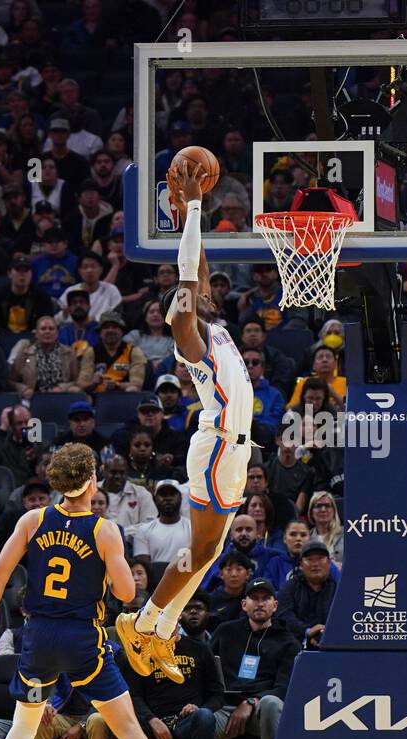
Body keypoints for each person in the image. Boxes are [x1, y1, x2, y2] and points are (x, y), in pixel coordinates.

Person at [0, 442, 197, 739]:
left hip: (38, 635)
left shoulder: (32, 520)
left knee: (23, 724)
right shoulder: (104, 529)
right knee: (125, 725)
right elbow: (125, 592)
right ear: (91, 481)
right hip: (82, 638)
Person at [115, 163, 253, 686]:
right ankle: (144, 622)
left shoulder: (213, 326)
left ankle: (160, 628)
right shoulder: (188, 338)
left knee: (211, 551)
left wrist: (194, 211)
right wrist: (192, 206)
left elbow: (196, 264)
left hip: (231, 451)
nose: (193, 297)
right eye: (185, 301)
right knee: (199, 550)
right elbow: (187, 278)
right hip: (219, 449)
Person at [114, 591, 224, 739]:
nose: (165, 625)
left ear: (177, 621)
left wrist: (198, 706)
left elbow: (216, 695)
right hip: (151, 721)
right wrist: (152, 720)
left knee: (205, 717)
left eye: (169, 621)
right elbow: (132, 696)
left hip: (185, 722)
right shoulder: (138, 654)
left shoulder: (199, 649)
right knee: (121, 725)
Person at [208, 576, 296, 739]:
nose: (260, 603)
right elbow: (206, 671)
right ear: (244, 604)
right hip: (225, 711)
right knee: (200, 719)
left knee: (271, 703)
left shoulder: (288, 641)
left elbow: (286, 687)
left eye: (266, 598)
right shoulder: (225, 632)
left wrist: (251, 701)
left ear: (275, 605)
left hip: (260, 715)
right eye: (254, 599)